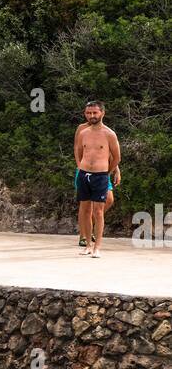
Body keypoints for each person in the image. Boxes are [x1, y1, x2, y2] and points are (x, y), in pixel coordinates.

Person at [74, 102, 120, 258]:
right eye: (88, 113)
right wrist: (81, 167)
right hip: (84, 174)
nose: (91, 116)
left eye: (95, 113)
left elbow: (117, 157)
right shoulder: (83, 132)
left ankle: (97, 247)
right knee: (85, 210)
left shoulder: (109, 134)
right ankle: (87, 244)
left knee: (98, 212)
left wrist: (108, 171)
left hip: (100, 175)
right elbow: (80, 152)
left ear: (102, 113)